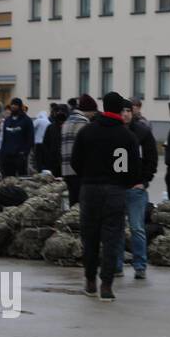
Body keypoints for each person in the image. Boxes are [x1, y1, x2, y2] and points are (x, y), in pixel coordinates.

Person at [70, 92, 140, 301]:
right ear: (120, 110)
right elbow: (134, 170)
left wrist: (88, 177)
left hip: (90, 189)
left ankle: (90, 281)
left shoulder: (87, 132)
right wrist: (123, 183)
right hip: (116, 191)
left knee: (89, 237)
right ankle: (107, 285)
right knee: (112, 238)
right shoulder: (127, 137)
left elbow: (75, 162)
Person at [117, 101, 157, 279]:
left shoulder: (142, 132)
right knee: (116, 228)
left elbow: (151, 158)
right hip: (117, 188)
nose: (125, 114)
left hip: (136, 188)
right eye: (122, 111)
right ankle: (117, 265)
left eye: (128, 110)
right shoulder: (114, 132)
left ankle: (140, 265)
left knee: (137, 228)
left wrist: (144, 180)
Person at [61, 94, 97, 206]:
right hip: (78, 171)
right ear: (89, 110)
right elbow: (85, 148)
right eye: (93, 112)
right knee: (81, 206)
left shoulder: (68, 121)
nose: (94, 115)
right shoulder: (83, 122)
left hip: (66, 170)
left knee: (73, 203)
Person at [0, 98, 34, 177]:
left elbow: (30, 138)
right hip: (7, 156)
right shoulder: (7, 120)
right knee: (8, 180)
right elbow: (4, 138)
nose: (13, 106)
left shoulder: (27, 120)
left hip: (20, 156)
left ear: (20, 106)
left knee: (22, 180)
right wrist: (2, 154)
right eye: (12, 105)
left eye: (16, 105)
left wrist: (24, 153)